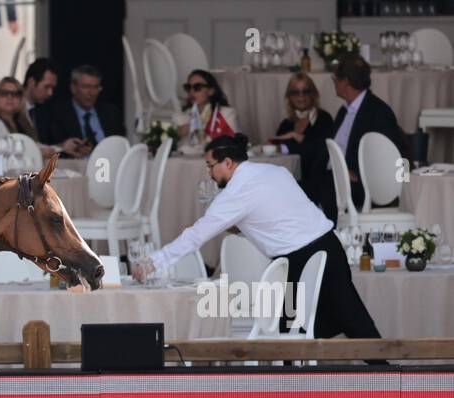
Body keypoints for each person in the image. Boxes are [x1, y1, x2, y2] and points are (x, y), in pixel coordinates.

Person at [133, 134, 384, 348]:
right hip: (329, 247)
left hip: (298, 261)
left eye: (211, 166)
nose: (209, 173)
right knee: (336, 322)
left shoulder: (234, 194)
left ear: (228, 162)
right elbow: (273, 218)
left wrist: (153, 263)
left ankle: (384, 375)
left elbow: (196, 235)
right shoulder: (274, 171)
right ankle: (379, 374)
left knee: (306, 330)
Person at [318, 54, 411, 223]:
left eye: (335, 79)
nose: (334, 84)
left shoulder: (378, 112)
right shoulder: (343, 111)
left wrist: (357, 174)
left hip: (366, 185)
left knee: (326, 188)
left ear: (345, 81)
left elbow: (388, 156)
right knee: (301, 185)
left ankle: (331, 240)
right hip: (334, 176)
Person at [270, 73, 334, 195]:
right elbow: (277, 150)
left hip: (316, 185)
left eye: (306, 91)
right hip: (288, 182)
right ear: (289, 96)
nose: (301, 96)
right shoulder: (287, 123)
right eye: (295, 92)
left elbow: (321, 149)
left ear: (314, 94)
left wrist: (296, 136)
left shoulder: (323, 119)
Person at [45, 64, 126, 157]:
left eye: (96, 87)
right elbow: (51, 148)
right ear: (73, 88)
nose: (91, 93)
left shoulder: (111, 113)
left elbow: (121, 146)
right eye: (86, 87)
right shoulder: (57, 114)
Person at [174, 70, 239, 146]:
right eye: (188, 87)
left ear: (211, 91)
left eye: (197, 87)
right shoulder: (184, 116)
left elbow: (234, 143)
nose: (191, 92)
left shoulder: (226, 114)